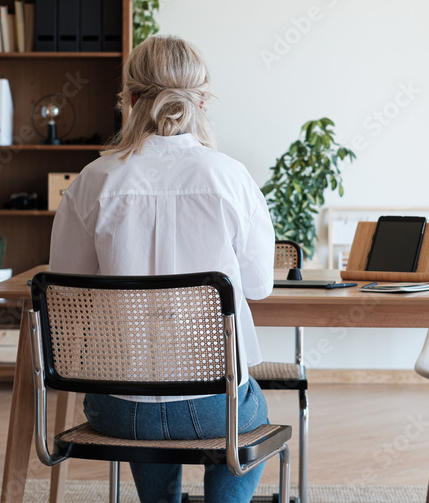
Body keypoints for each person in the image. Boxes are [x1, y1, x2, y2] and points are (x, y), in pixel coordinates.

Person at [49, 35, 276, 503]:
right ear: (202, 101)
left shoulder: (95, 179)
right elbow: (258, 286)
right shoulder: (229, 176)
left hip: (117, 408)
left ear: (129, 99)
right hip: (215, 408)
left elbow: (65, 291)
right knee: (251, 411)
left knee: (143, 402)